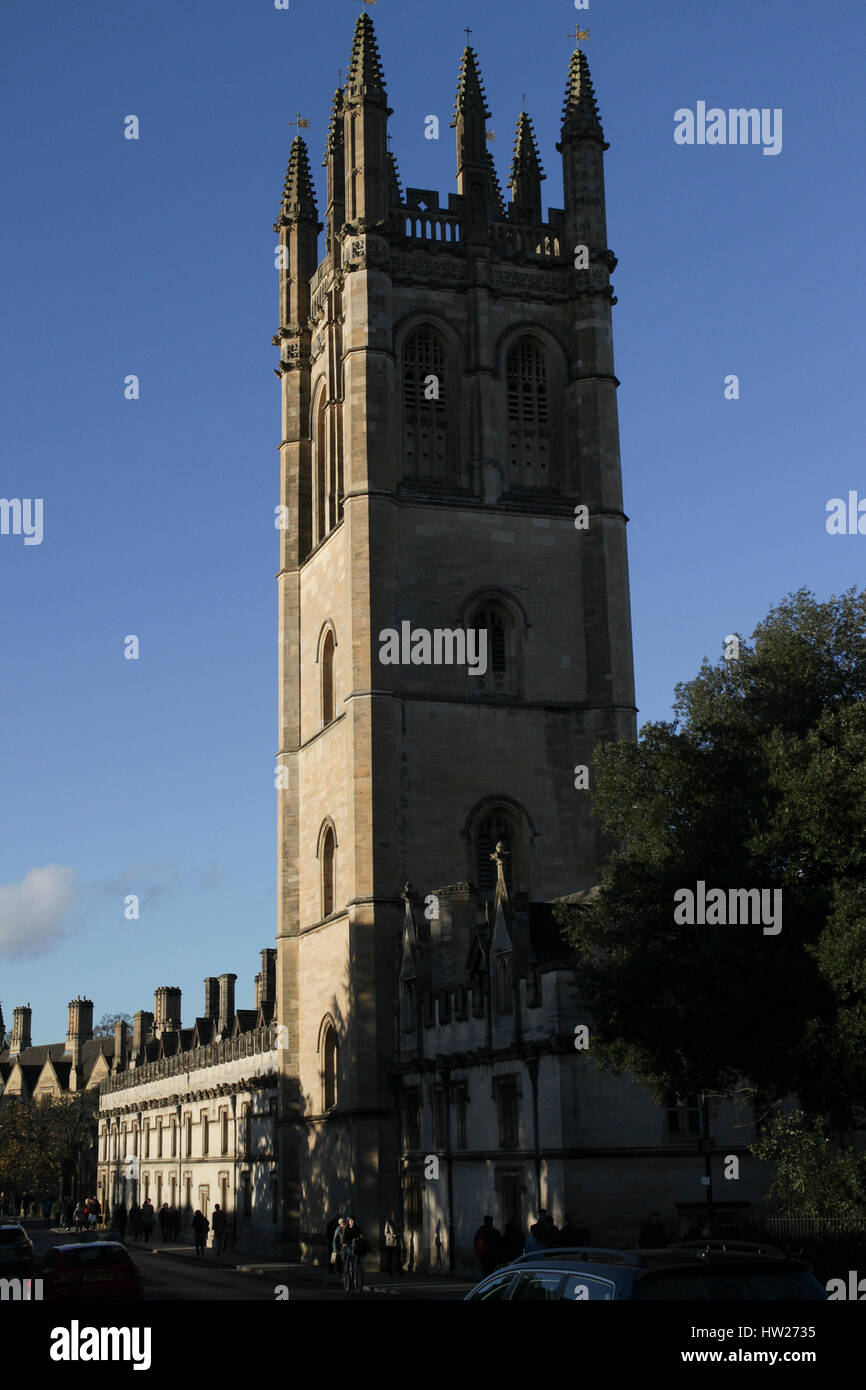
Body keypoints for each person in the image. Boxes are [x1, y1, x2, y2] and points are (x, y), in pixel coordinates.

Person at [383, 1210, 402, 1276]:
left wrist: (398, 1234)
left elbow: (400, 1230)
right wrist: (392, 1235)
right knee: (390, 1257)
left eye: (395, 1215)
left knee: (398, 1257)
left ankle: (400, 1271)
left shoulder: (398, 1222)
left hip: (397, 1242)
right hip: (390, 1243)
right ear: (391, 1216)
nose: (394, 1216)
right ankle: (389, 1271)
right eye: (393, 1215)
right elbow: (385, 1233)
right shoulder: (388, 1222)